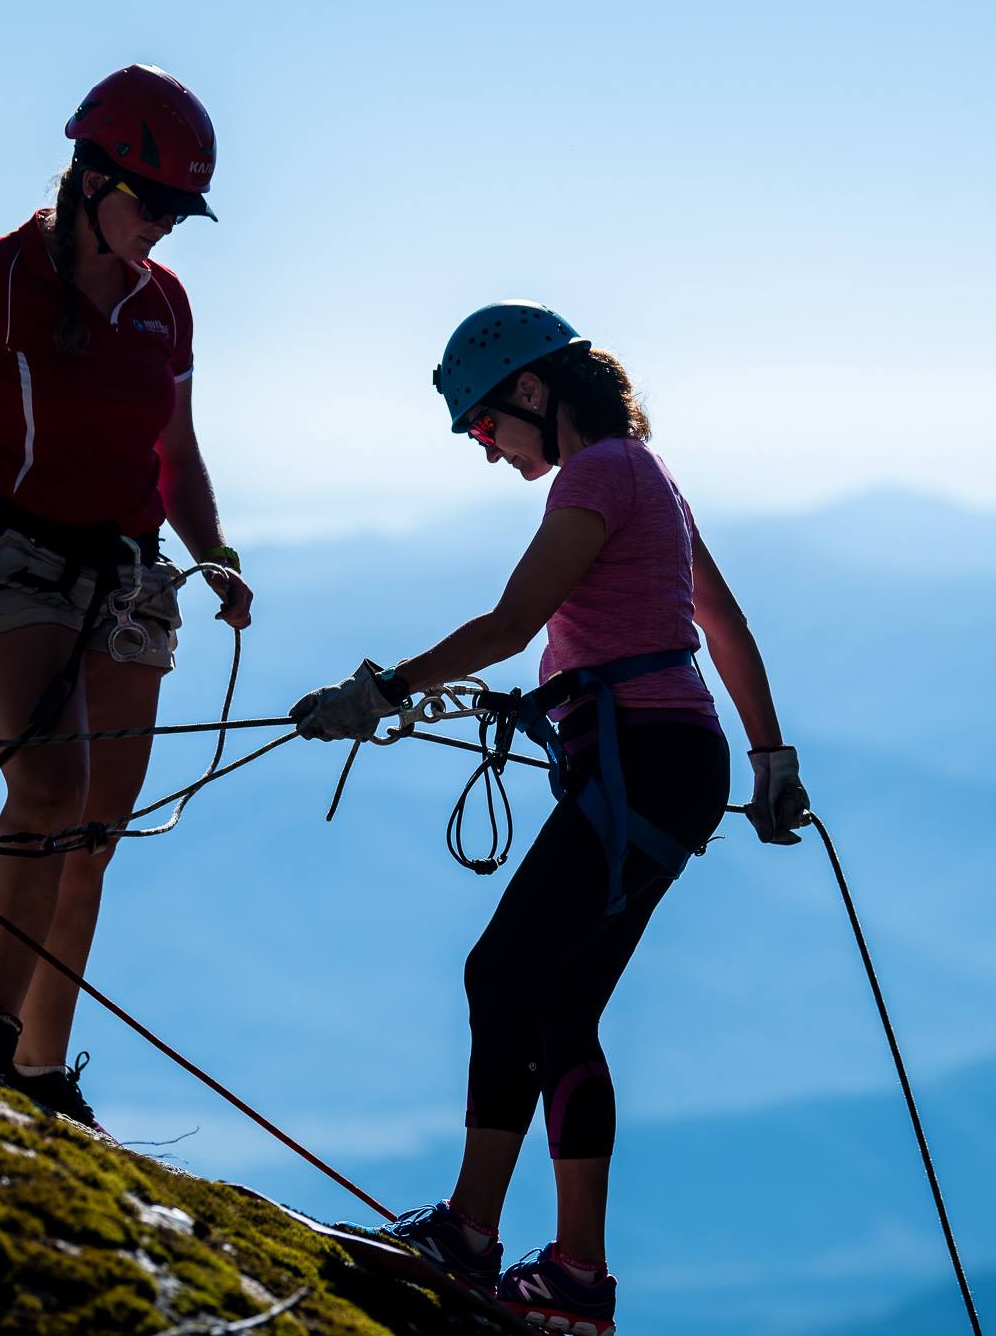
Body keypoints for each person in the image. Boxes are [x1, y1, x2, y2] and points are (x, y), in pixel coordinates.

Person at [291, 302, 809, 1334]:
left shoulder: (598, 474)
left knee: (503, 974)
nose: (487, 453)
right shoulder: (645, 473)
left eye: (484, 427)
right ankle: (569, 1276)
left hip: (637, 761)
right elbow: (721, 622)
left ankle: (469, 1235)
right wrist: (768, 755)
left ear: (531, 391)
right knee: (557, 1002)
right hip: (663, 762)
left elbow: (510, 621)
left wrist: (381, 688)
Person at [0, 65, 252, 1133]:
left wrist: (211, 552)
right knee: (47, 786)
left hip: (123, 574)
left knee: (93, 833)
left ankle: (37, 1072)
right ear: (88, 176)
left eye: (180, 210)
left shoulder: (163, 306)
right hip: (8, 561)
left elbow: (172, 450)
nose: (167, 227)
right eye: (153, 202)